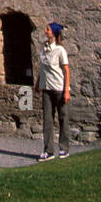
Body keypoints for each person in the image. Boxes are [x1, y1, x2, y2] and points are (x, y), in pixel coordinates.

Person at [34, 22, 70, 160]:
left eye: (48, 29)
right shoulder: (44, 49)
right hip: (46, 88)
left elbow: (66, 70)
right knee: (47, 120)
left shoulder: (60, 50)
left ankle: (64, 148)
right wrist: (37, 84)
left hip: (59, 88)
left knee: (63, 118)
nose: (45, 31)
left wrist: (66, 91)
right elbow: (42, 69)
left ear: (54, 33)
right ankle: (48, 150)